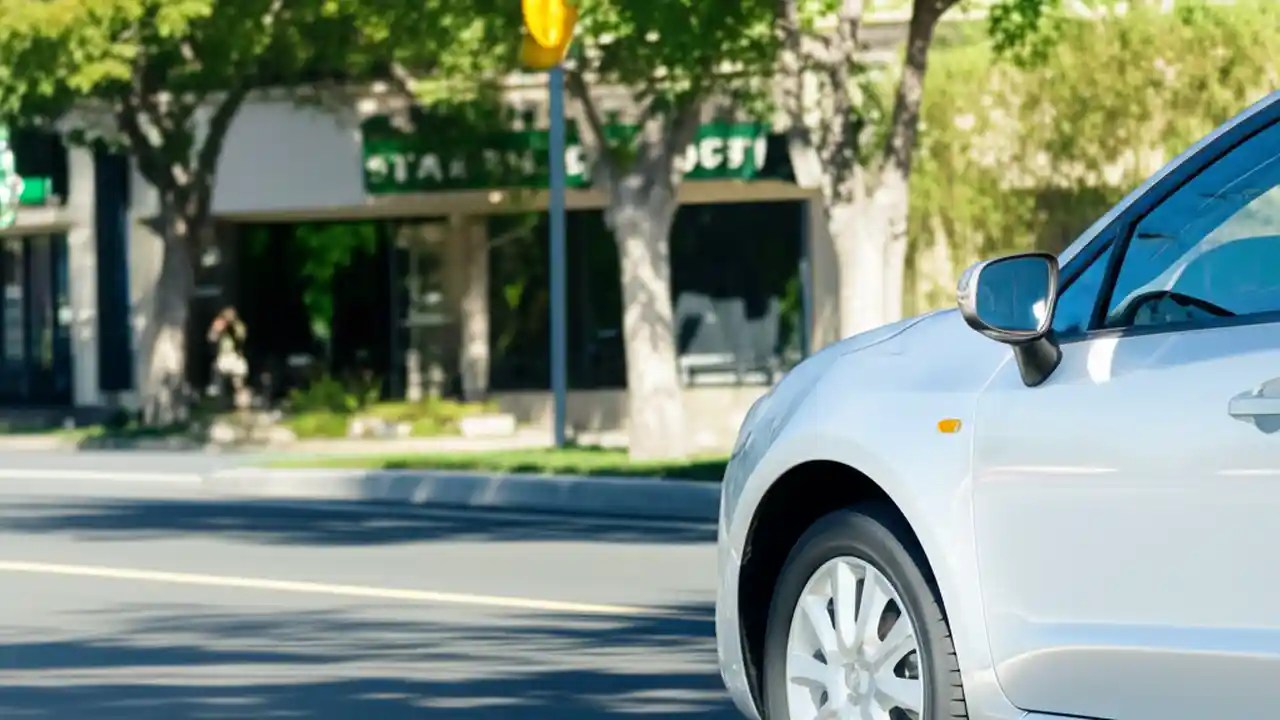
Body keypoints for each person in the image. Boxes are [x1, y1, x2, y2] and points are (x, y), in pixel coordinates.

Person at [207, 306, 249, 408]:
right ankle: (221, 406)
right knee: (221, 385)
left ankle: (242, 406)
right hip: (223, 357)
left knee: (238, 384)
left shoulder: (239, 326)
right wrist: (217, 329)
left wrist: (232, 328)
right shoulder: (219, 325)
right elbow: (211, 339)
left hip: (235, 356)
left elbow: (241, 339)